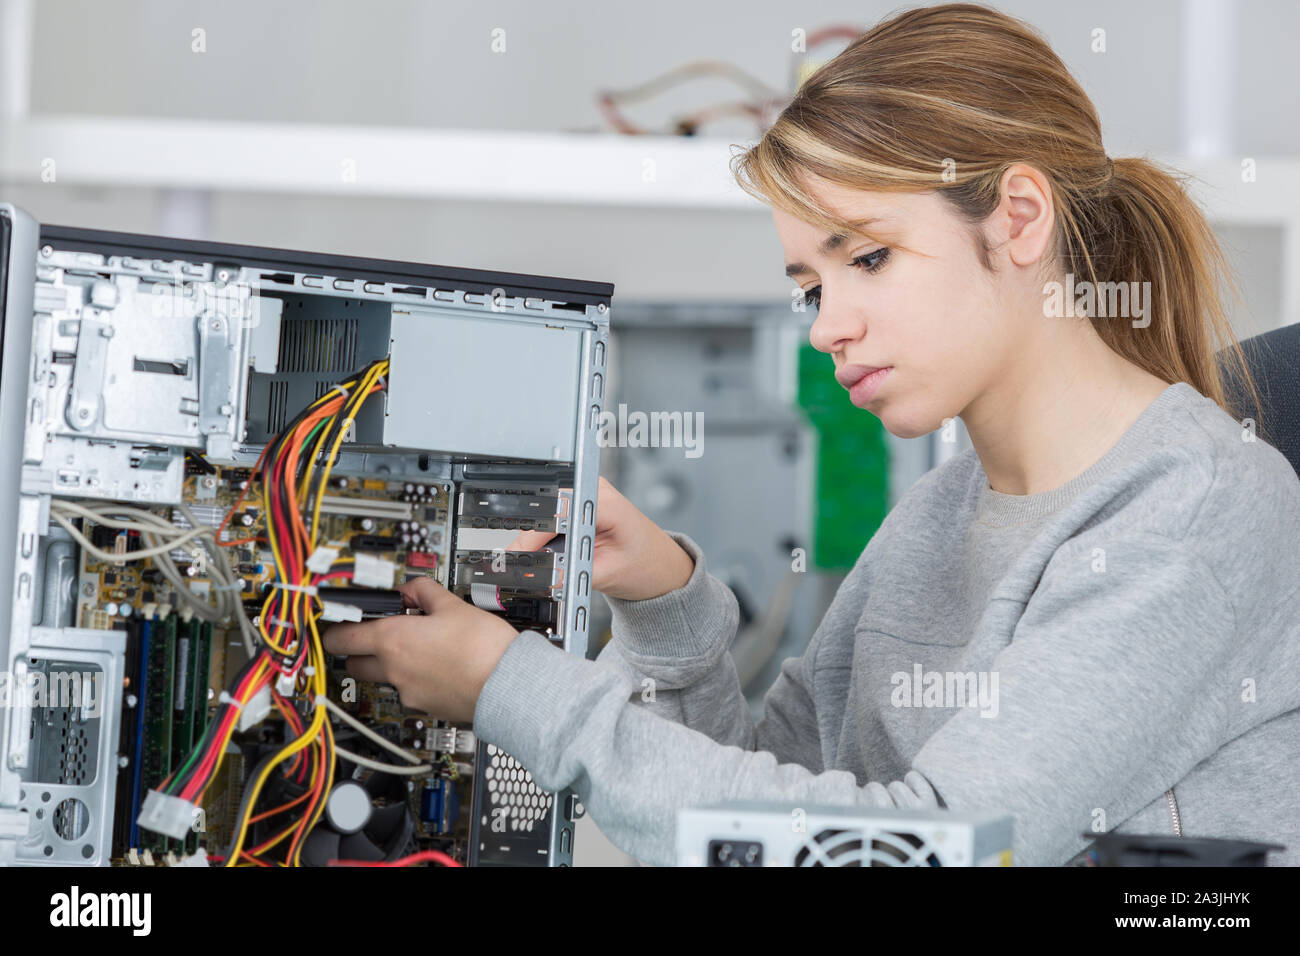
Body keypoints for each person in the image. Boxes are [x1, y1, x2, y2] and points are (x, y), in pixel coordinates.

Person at [322, 3, 1300, 866]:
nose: (828, 323)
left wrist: (507, 685)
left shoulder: (1196, 510)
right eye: (810, 288)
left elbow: (920, 850)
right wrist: (668, 602)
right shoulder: (940, 513)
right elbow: (762, 806)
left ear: (1018, 217)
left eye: (868, 256)